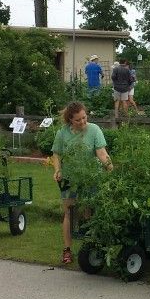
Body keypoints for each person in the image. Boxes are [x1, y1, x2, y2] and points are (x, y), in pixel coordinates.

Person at [51, 101, 113, 266]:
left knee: (88, 212)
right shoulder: (62, 133)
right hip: (70, 179)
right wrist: (57, 170)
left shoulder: (94, 130)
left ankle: (90, 248)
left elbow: (101, 152)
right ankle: (67, 250)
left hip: (91, 178)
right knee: (69, 214)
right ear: (70, 119)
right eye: (78, 120)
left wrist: (110, 167)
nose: (83, 122)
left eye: (84, 118)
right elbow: (56, 154)